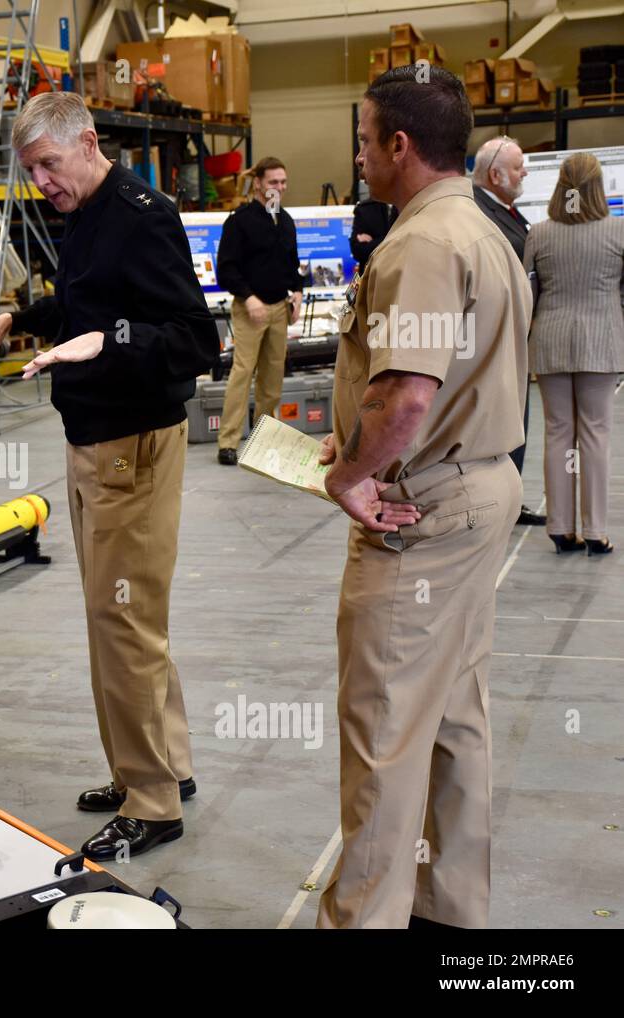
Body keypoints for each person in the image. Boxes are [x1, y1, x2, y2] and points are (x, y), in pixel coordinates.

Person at [0, 91, 218, 862]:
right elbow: (88, 300)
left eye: (49, 166)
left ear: (88, 143)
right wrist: (22, 321)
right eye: (31, 172)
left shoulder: (141, 215)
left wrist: (107, 343)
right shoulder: (86, 212)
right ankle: (165, 767)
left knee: (121, 623)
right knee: (128, 621)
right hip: (95, 440)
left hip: (131, 445)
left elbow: (195, 339)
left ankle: (152, 801)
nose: (41, 185)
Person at [317, 66, 529, 928]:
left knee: (384, 735)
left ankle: (364, 917)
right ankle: (449, 917)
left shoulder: (421, 246)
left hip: (424, 517)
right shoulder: (482, 230)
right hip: (480, 492)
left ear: (398, 146)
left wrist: (348, 474)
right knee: (452, 722)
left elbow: (406, 393)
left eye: (365, 141)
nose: (360, 158)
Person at [523, 152, 624, 555]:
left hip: (550, 342)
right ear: (598, 187)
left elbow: (527, 297)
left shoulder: (540, 234)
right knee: (596, 433)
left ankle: (561, 527)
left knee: (558, 432)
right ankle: (596, 530)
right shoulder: (618, 232)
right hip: (602, 342)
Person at [472, 135, 546, 528]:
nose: (524, 174)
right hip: (494, 336)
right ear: (496, 174)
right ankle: (501, 503)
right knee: (502, 421)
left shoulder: (508, 211)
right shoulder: (480, 210)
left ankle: (511, 501)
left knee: (516, 417)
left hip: (515, 335)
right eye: (519, 167)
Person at [214, 157, 303, 465]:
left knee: (272, 377)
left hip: (280, 307)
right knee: (242, 373)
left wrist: (298, 293)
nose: (279, 188)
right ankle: (228, 441)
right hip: (250, 308)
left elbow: (292, 264)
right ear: (258, 184)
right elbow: (225, 269)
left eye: (283, 182)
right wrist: (249, 298)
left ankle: (264, 437)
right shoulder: (239, 221)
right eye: (273, 182)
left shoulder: (286, 221)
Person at [349, 198, 396, 271]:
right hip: (371, 274)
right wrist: (394, 239)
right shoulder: (366, 208)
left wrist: (373, 242)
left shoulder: (410, 205)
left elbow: (411, 244)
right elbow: (357, 251)